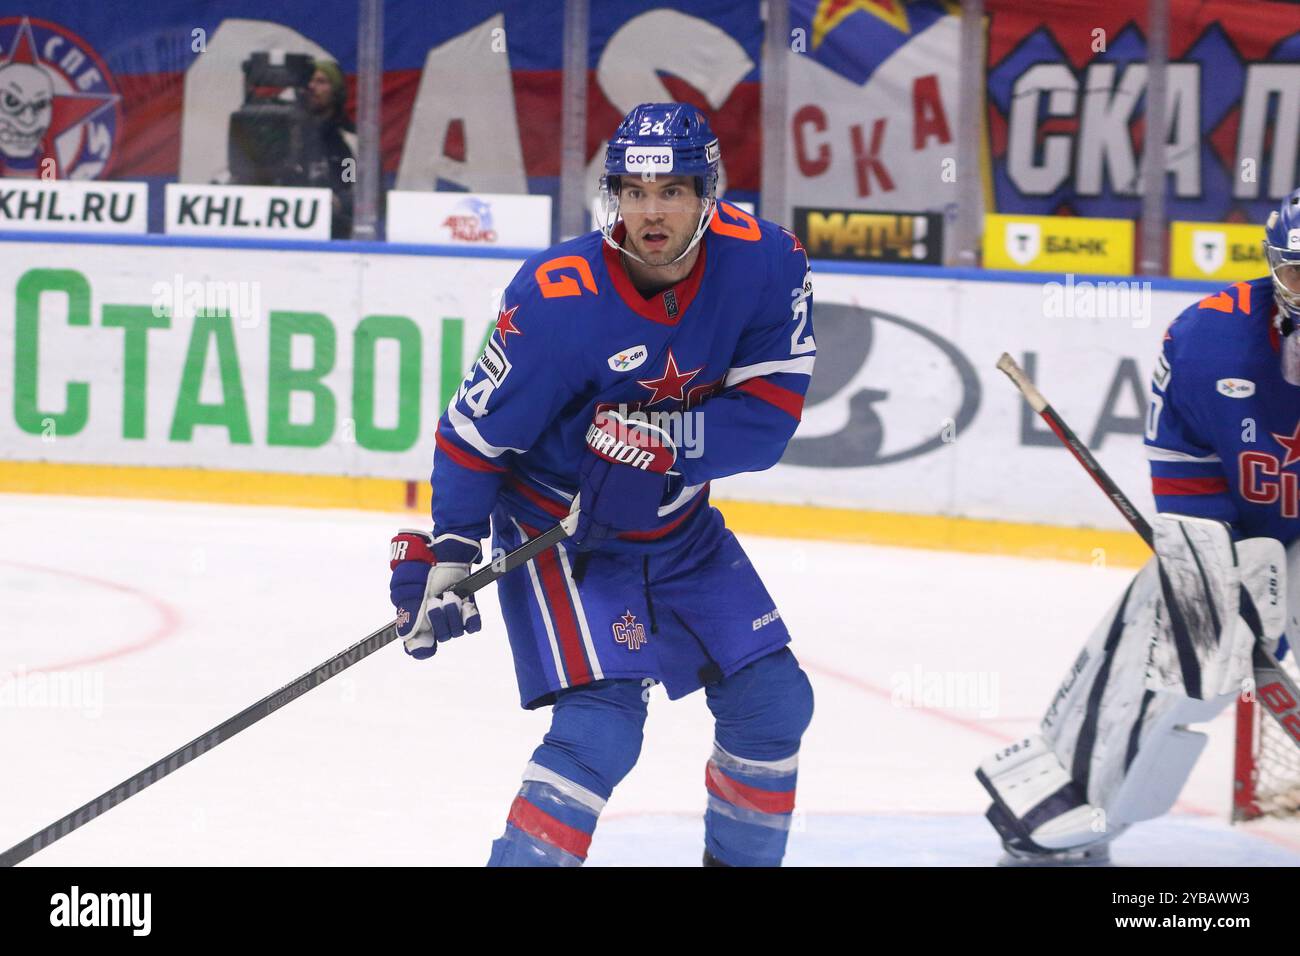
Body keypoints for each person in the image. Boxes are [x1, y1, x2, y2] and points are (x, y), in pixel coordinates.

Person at [387, 103, 817, 866]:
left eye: (672, 191)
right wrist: (452, 552)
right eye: (634, 190)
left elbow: (768, 422)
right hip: (567, 532)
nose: (651, 212)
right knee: (602, 727)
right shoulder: (558, 298)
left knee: (773, 704)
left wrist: (664, 441)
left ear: (707, 192)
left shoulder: (767, 264)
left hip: (680, 526)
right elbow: (476, 433)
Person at [975, 187, 1300, 864]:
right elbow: (1186, 471)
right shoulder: (1210, 340)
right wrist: (1216, 581)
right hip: (1236, 535)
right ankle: (1063, 822)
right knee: (1171, 668)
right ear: (1274, 267)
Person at [303, 59, 356, 239]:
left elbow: (353, 188)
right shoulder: (288, 134)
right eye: (309, 81)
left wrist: (338, 201)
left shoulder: (348, 142)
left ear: (336, 92)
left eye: (321, 81)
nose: (312, 87)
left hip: (333, 237)